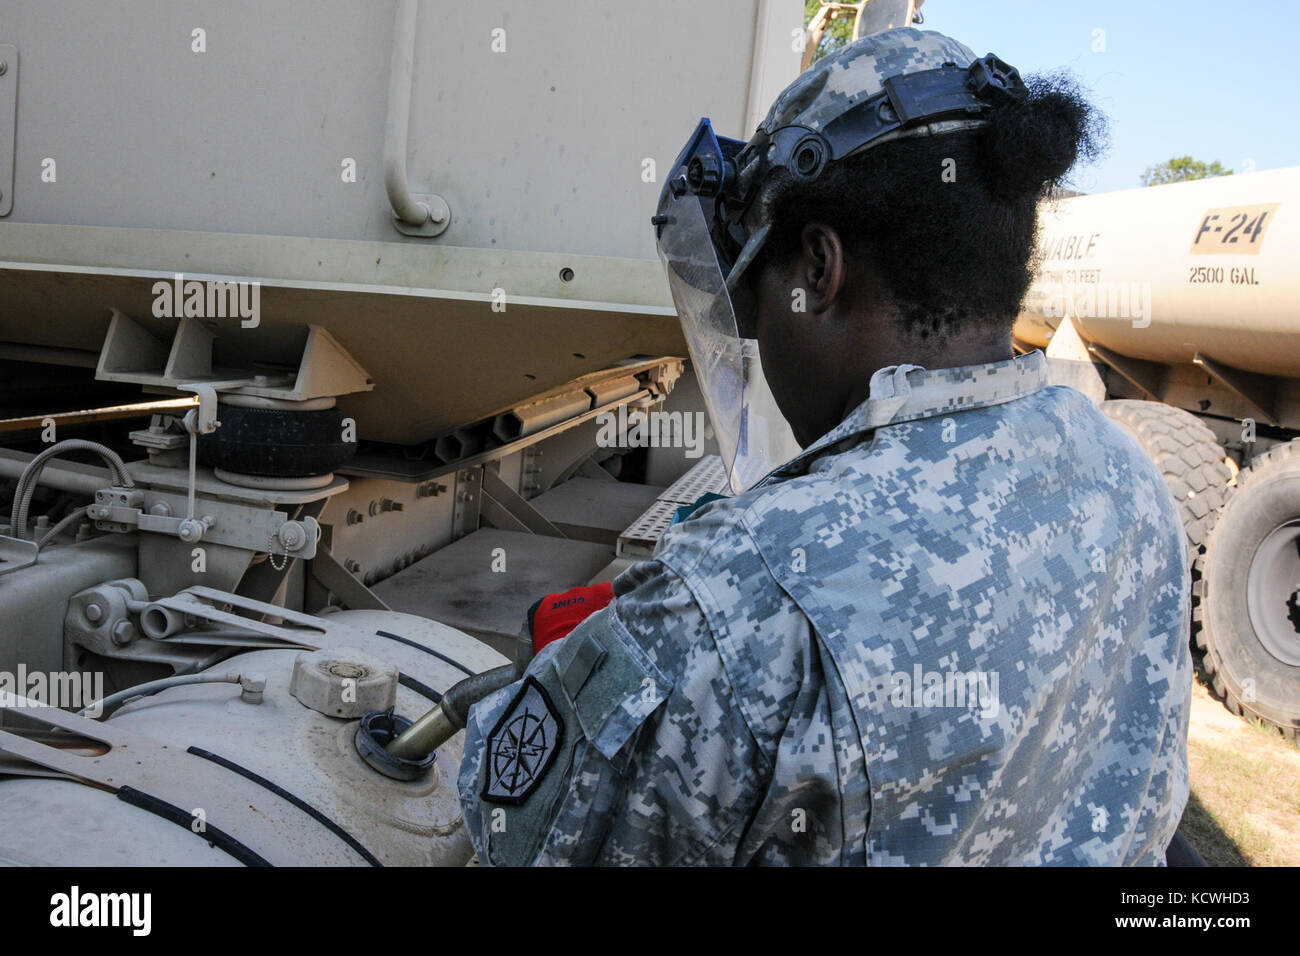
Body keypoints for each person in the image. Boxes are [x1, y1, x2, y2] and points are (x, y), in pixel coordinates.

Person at [456, 27, 1191, 866]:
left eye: (759, 302)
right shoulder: (1131, 481)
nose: (761, 341)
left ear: (818, 270)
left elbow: (513, 823)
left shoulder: (739, 601)